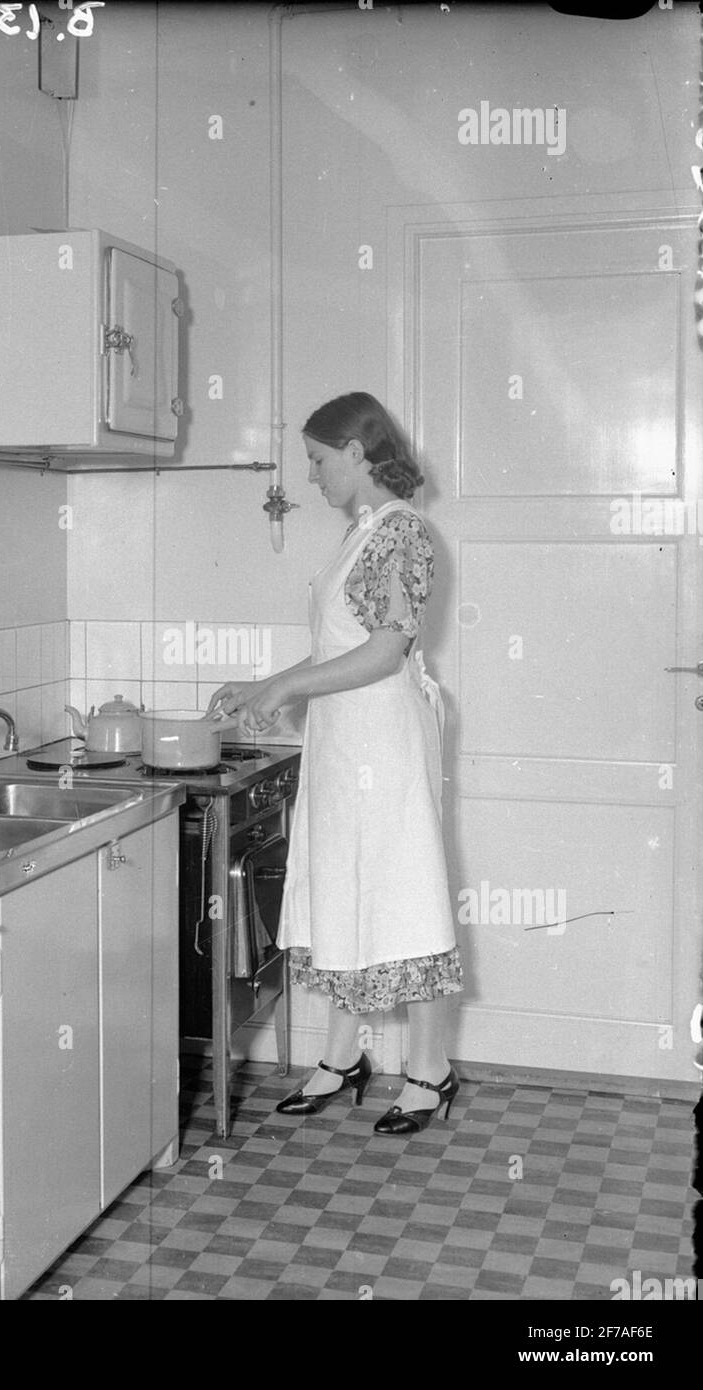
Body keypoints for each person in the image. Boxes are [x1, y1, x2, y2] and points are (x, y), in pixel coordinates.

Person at [207, 392, 462, 1135]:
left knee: (404, 894)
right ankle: (342, 1057)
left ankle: (429, 1069)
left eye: (319, 460)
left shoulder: (404, 533)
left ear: (357, 452)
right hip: (342, 740)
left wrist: (284, 686)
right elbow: (338, 648)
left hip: (383, 743)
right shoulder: (359, 532)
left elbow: (388, 649)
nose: (312, 475)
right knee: (340, 886)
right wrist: (265, 684)